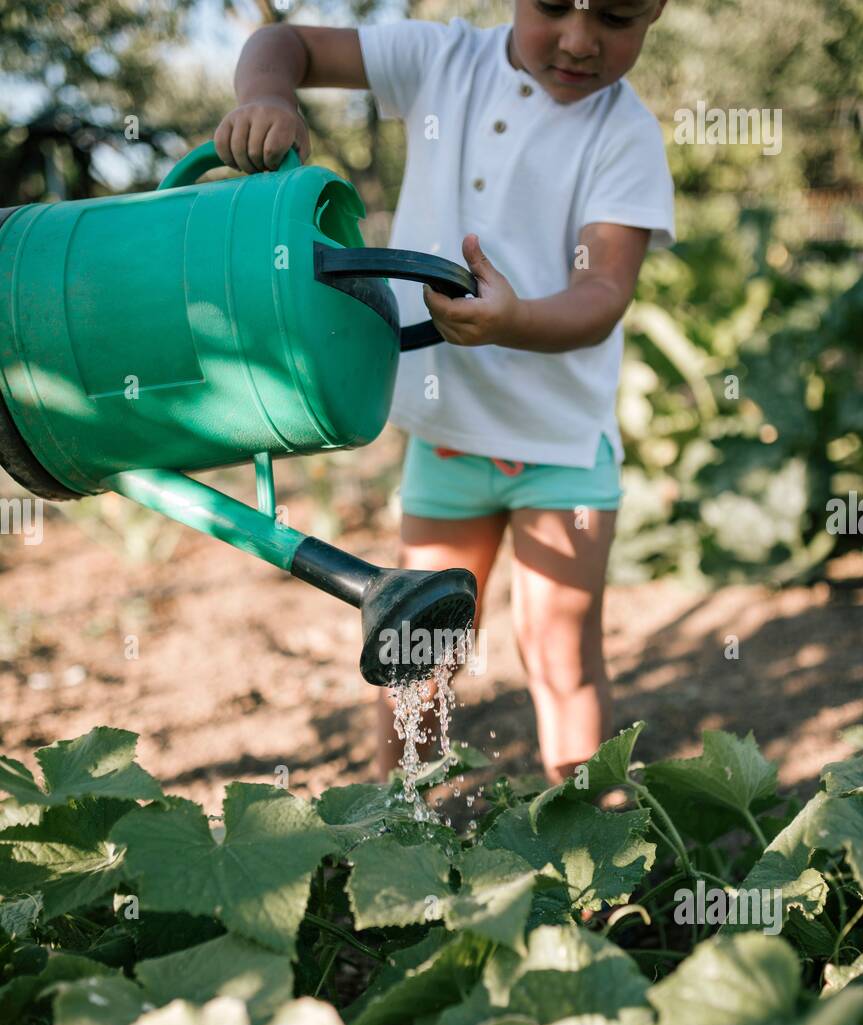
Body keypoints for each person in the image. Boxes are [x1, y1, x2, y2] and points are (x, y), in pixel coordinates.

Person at [215, 0, 675, 786]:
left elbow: (602, 291)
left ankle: (597, 864)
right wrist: (269, 95)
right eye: (554, 7)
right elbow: (282, 42)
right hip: (450, 438)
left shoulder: (624, 133)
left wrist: (515, 319)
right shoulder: (441, 61)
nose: (577, 40)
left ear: (657, 12)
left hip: (561, 449)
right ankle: (407, 837)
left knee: (562, 657)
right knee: (418, 654)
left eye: (616, 18)